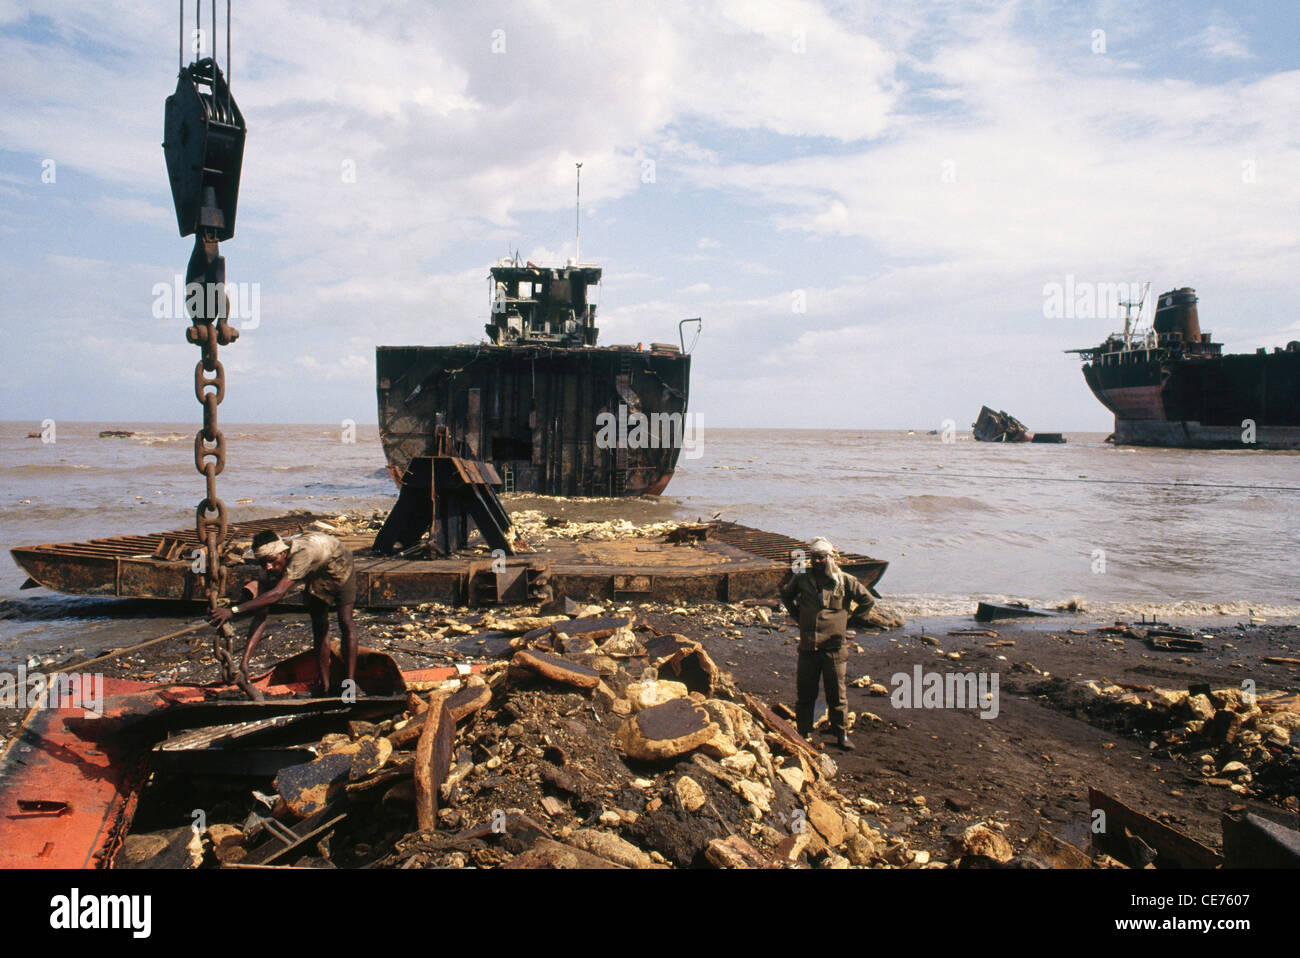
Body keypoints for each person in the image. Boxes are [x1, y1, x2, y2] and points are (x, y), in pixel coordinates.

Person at [208, 529, 358, 696]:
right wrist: (245, 663)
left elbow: (277, 594)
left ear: (283, 554)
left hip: (339, 564)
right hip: (313, 574)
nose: (268, 567)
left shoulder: (303, 554)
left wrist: (233, 611)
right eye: (263, 563)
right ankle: (324, 686)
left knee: (345, 621)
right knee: (319, 625)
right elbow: (261, 613)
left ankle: (349, 684)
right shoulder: (267, 567)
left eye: (272, 561)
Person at [778, 537, 875, 751]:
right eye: (813, 558)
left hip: (834, 648)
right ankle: (804, 732)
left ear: (830, 559)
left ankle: (841, 734)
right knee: (805, 693)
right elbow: (786, 595)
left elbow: (867, 600)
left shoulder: (845, 580)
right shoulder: (802, 579)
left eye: (821, 558)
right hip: (808, 648)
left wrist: (851, 620)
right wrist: (797, 615)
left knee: (836, 695)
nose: (817, 562)